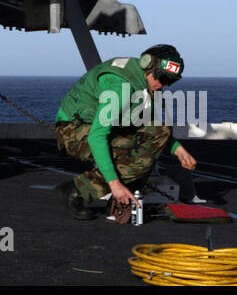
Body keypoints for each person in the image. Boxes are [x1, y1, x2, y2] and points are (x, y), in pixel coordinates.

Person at [52, 44, 197, 220]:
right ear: (147, 64)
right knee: (135, 159)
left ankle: (124, 196)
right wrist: (114, 183)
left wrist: (177, 149)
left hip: (101, 126)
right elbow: (97, 135)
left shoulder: (146, 82)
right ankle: (76, 191)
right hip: (74, 129)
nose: (162, 84)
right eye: (161, 77)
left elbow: (152, 126)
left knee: (161, 131)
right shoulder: (120, 88)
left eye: (169, 81)